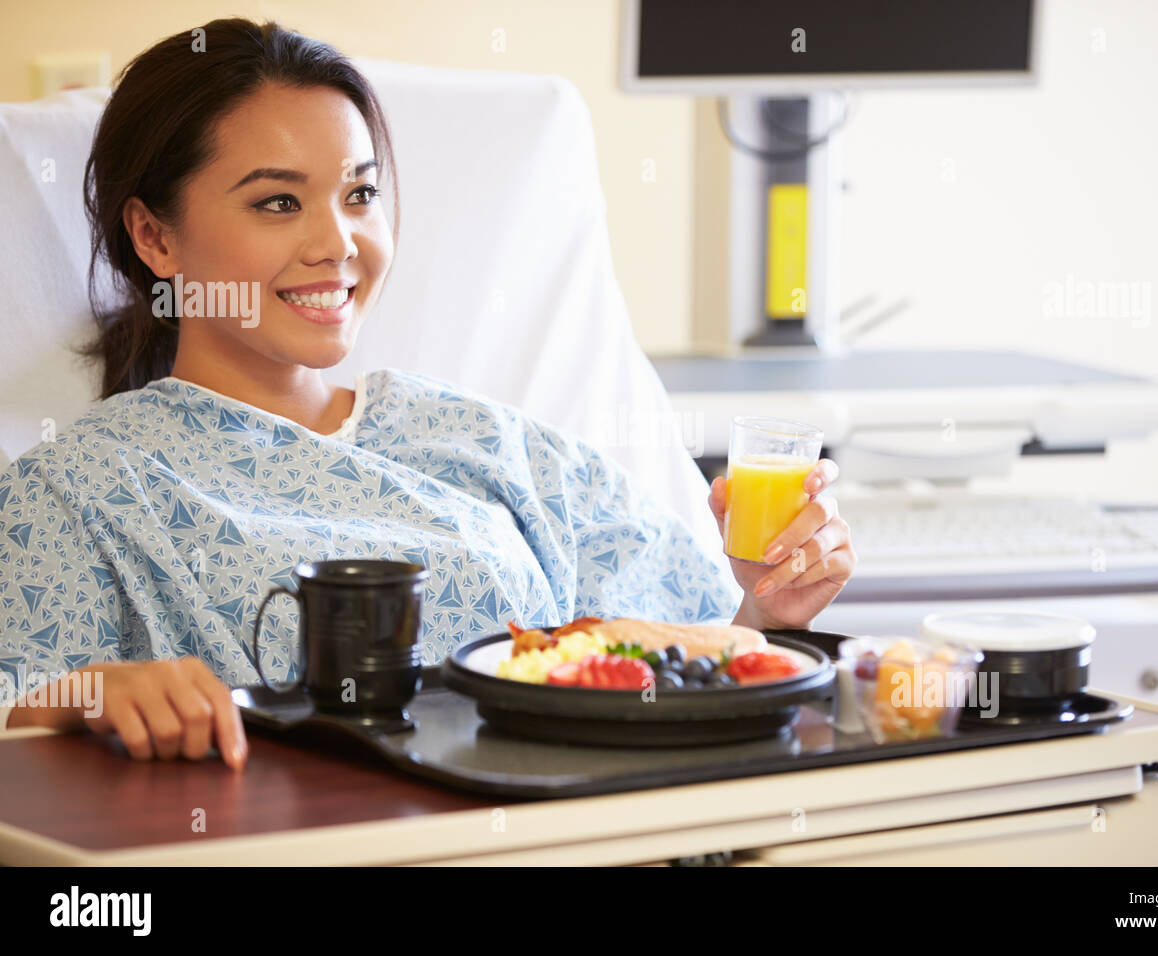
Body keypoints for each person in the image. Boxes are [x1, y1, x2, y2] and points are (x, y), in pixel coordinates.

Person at [0, 19, 855, 769]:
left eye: (361, 194)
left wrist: (767, 608)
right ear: (154, 235)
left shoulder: (485, 445)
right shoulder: (79, 492)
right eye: (278, 202)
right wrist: (77, 698)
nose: (338, 243)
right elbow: (23, 712)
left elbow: (705, 660)